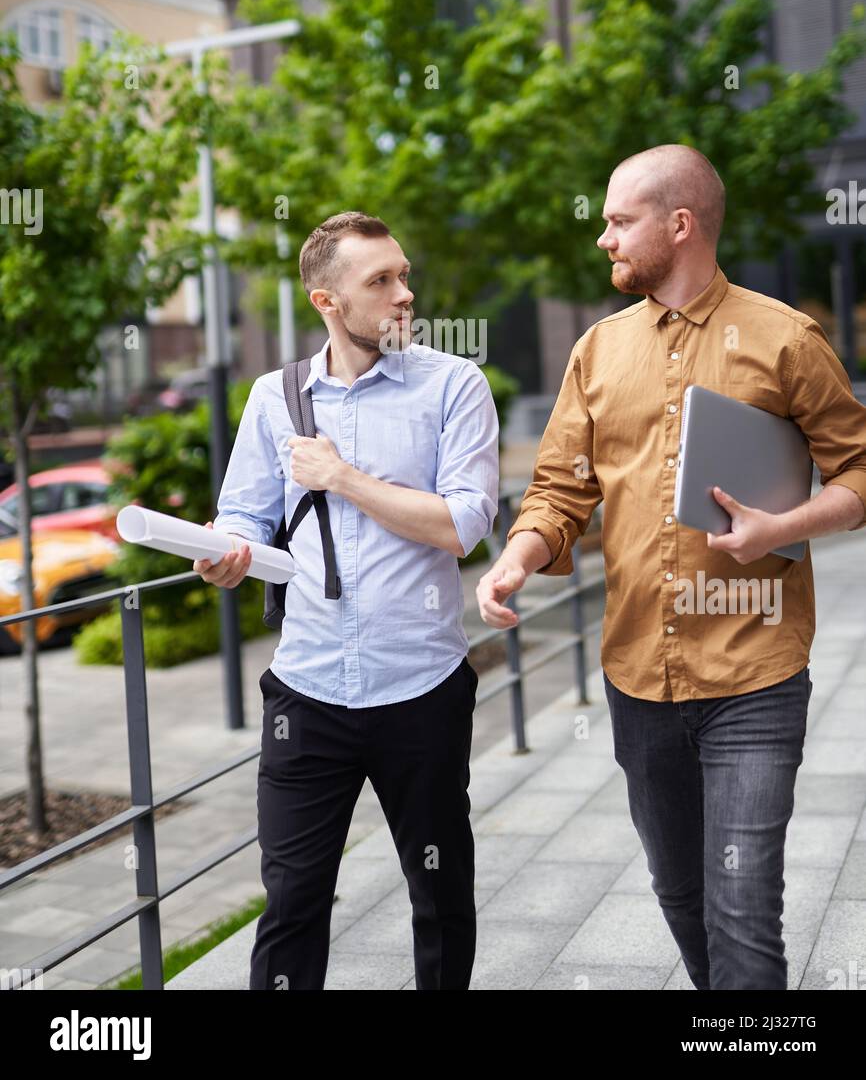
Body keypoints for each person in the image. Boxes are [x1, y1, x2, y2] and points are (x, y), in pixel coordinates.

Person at [476, 144, 866, 991]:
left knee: (743, 906)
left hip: (754, 675)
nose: (603, 240)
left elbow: (860, 470)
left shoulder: (787, 339)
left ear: (678, 224)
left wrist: (784, 526)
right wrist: (516, 556)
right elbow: (558, 491)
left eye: (618, 221)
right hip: (637, 681)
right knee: (681, 892)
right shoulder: (596, 351)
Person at [195, 211, 498, 990]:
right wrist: (225, 552)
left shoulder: (452, 385)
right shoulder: (274, 396)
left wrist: (344, 479)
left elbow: (463, 525)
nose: (405, 294)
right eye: (381, 282)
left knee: (440, 894)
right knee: (292, 899)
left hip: (421, 689)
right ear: (327, 301)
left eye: (403, 275)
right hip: (307, 692)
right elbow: (245, 513)